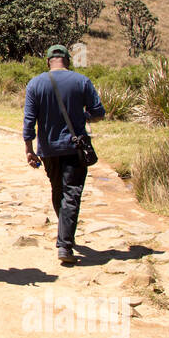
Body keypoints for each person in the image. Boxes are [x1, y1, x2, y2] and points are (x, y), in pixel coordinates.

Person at [22, 44, 106, 266]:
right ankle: (65, 244)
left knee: (58, 190)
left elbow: (29, 121)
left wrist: (29, 149)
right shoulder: (82, 81)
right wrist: (83, 116)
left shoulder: (35, 83)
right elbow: (99, 113)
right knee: (72, 194)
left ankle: (64, 234)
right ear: (67, 60)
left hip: (48, 149)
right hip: (74, 148)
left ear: (48, 61)